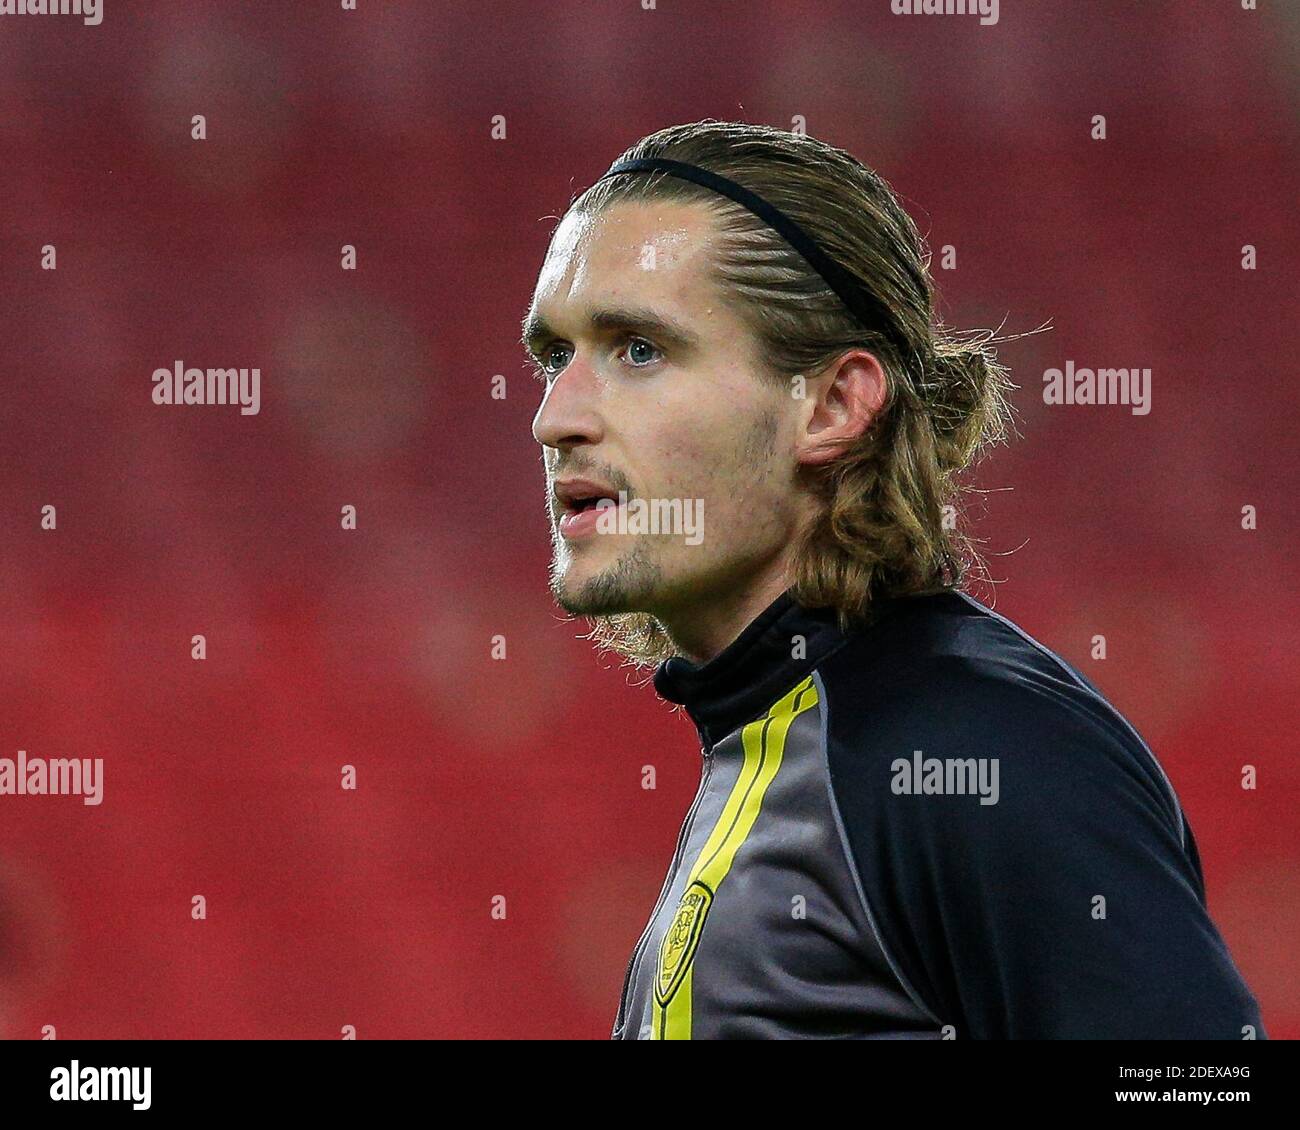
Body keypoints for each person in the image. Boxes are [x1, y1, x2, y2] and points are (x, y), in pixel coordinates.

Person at [521, 119, 1265, 1039]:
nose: (555, 419)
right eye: (554, 356)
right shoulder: (780, 733)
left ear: (833, 404)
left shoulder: (971, 750)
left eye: (638, 350)